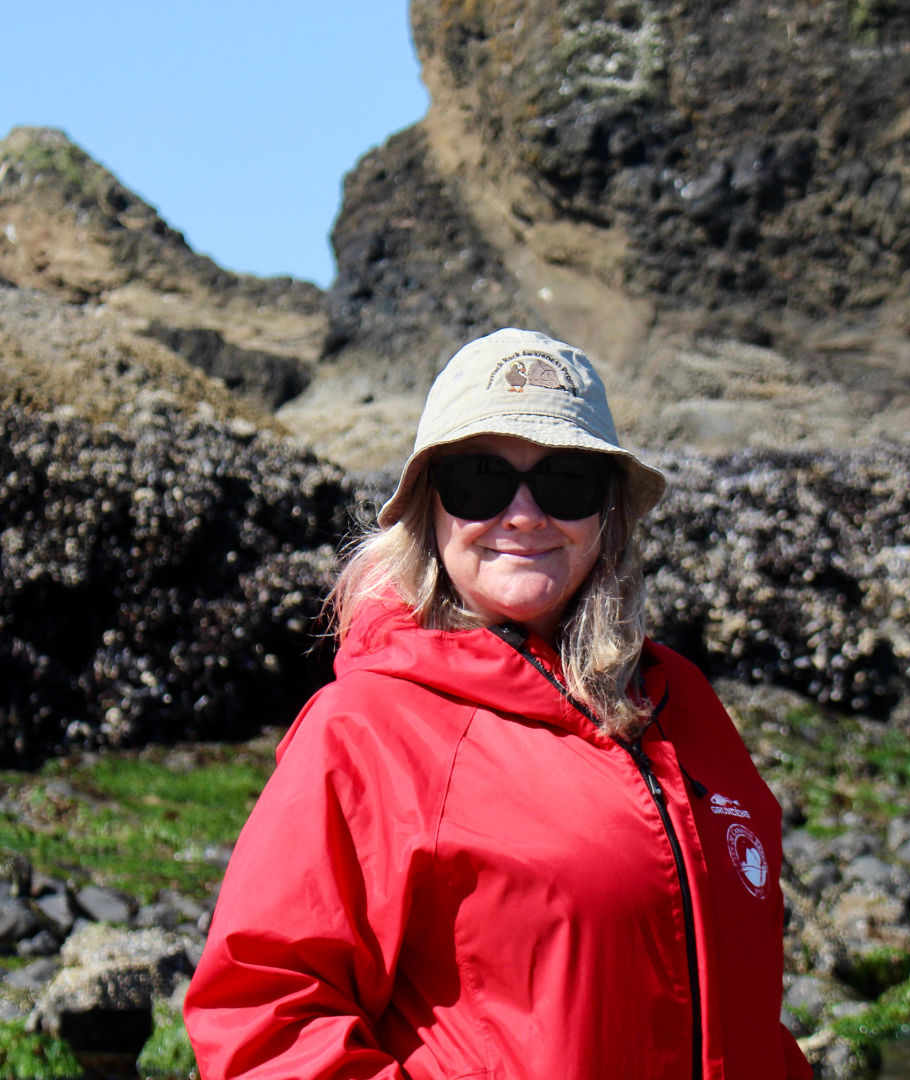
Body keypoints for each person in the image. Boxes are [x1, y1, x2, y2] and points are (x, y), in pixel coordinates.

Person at [184, 328, 811, 1080]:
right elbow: (264, 1023)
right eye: (480, 480)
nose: (522, 514)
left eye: (565, 479)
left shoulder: (686, 703)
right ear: (429, 508)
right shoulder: (363, 731)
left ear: (609, 509)